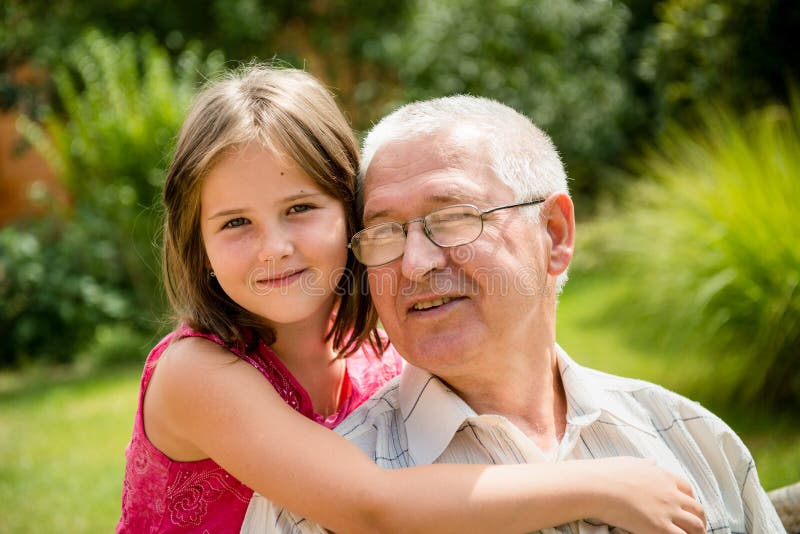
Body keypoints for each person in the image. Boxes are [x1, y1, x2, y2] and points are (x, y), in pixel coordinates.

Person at [117, 65, 707, 533]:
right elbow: (374, 507)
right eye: (235, 223)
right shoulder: (197, 374)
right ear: (196, 241)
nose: (275, 248)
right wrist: (599, 485)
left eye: (300, 209)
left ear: (354, 215)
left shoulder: (382, 344)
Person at [243, 95, 786, 533]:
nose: (414, 263)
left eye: (452, 217)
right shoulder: (313, 511)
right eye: (385, 231)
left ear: (554, 234)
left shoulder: (696, 442)